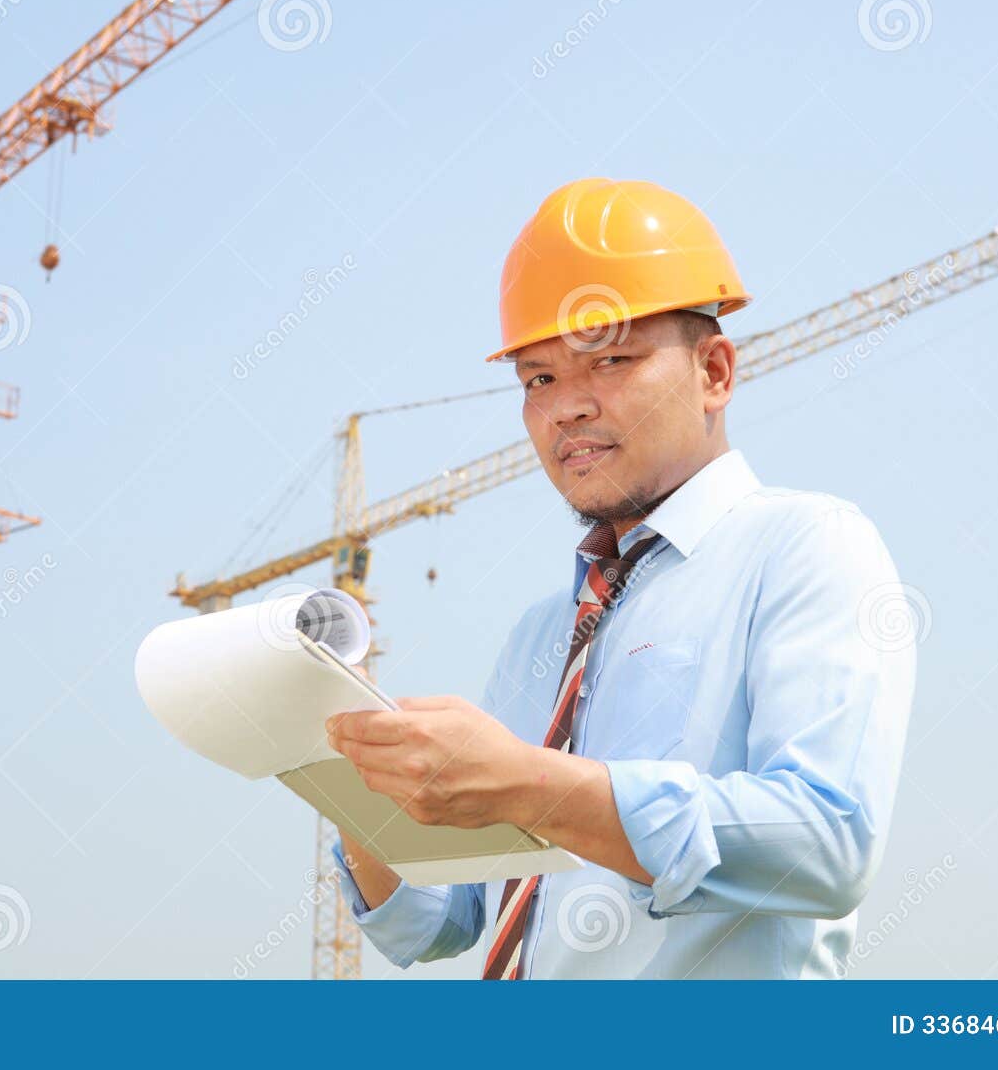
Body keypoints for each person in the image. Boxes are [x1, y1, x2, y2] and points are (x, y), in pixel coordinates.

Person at [324, 179, 917, 978]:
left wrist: (530, 783)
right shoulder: (545, 632)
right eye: (538, 379)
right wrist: (343, 761)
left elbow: (824, 840)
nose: (566, 407)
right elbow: (441, 923)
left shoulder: (805, 548)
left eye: (608, 360)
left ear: (713, 371)